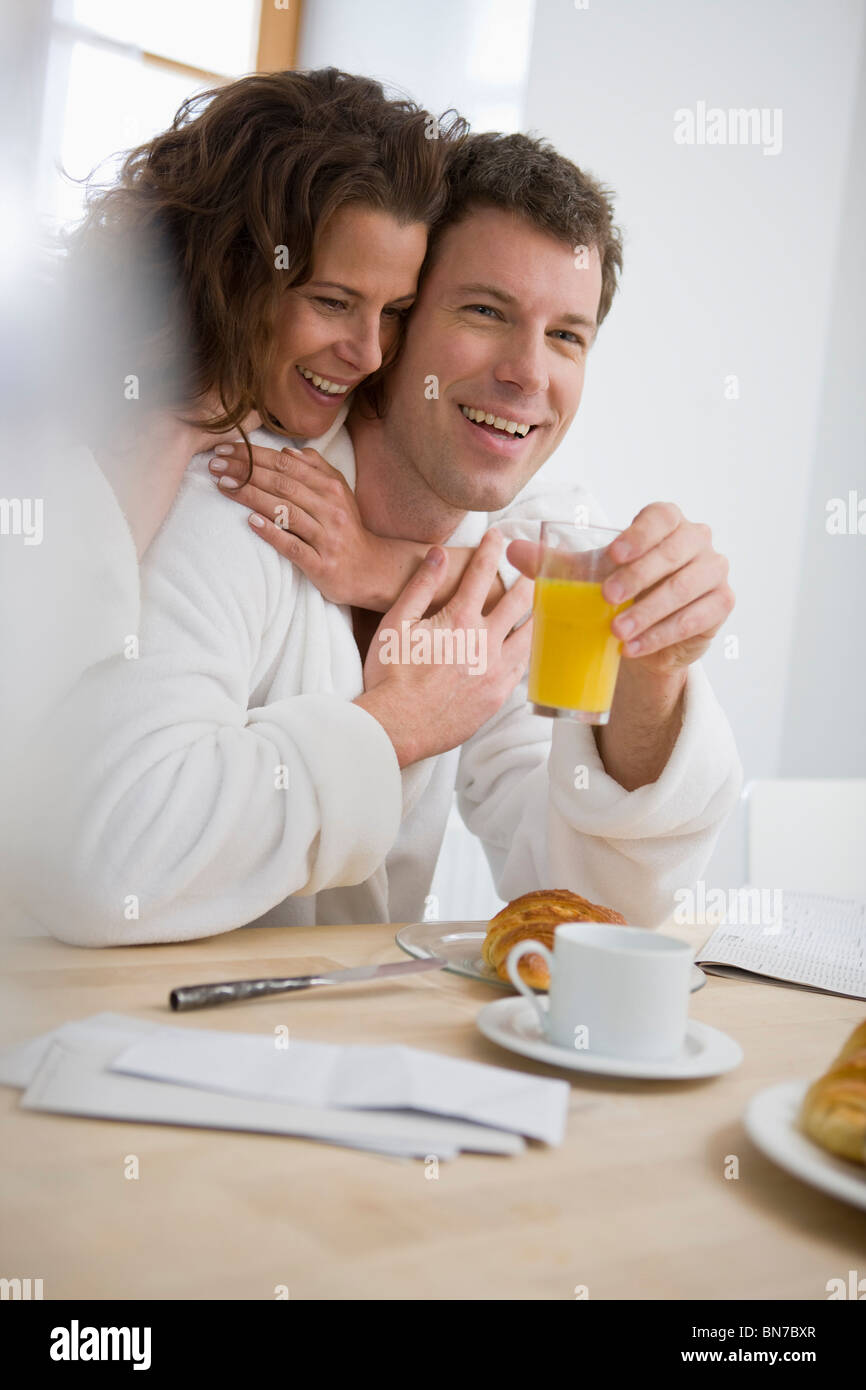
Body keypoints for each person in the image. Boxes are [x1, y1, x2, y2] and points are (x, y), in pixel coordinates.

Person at [8, 131, 741, 946]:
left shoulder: (523, 545)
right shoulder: (243, 499)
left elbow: (585, 908)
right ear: (394, 329)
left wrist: (652, 673)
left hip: (347, 1047)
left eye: (566, 335)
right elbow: (107, 863)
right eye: (486, 312)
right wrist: (393, 725)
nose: (529, 375)